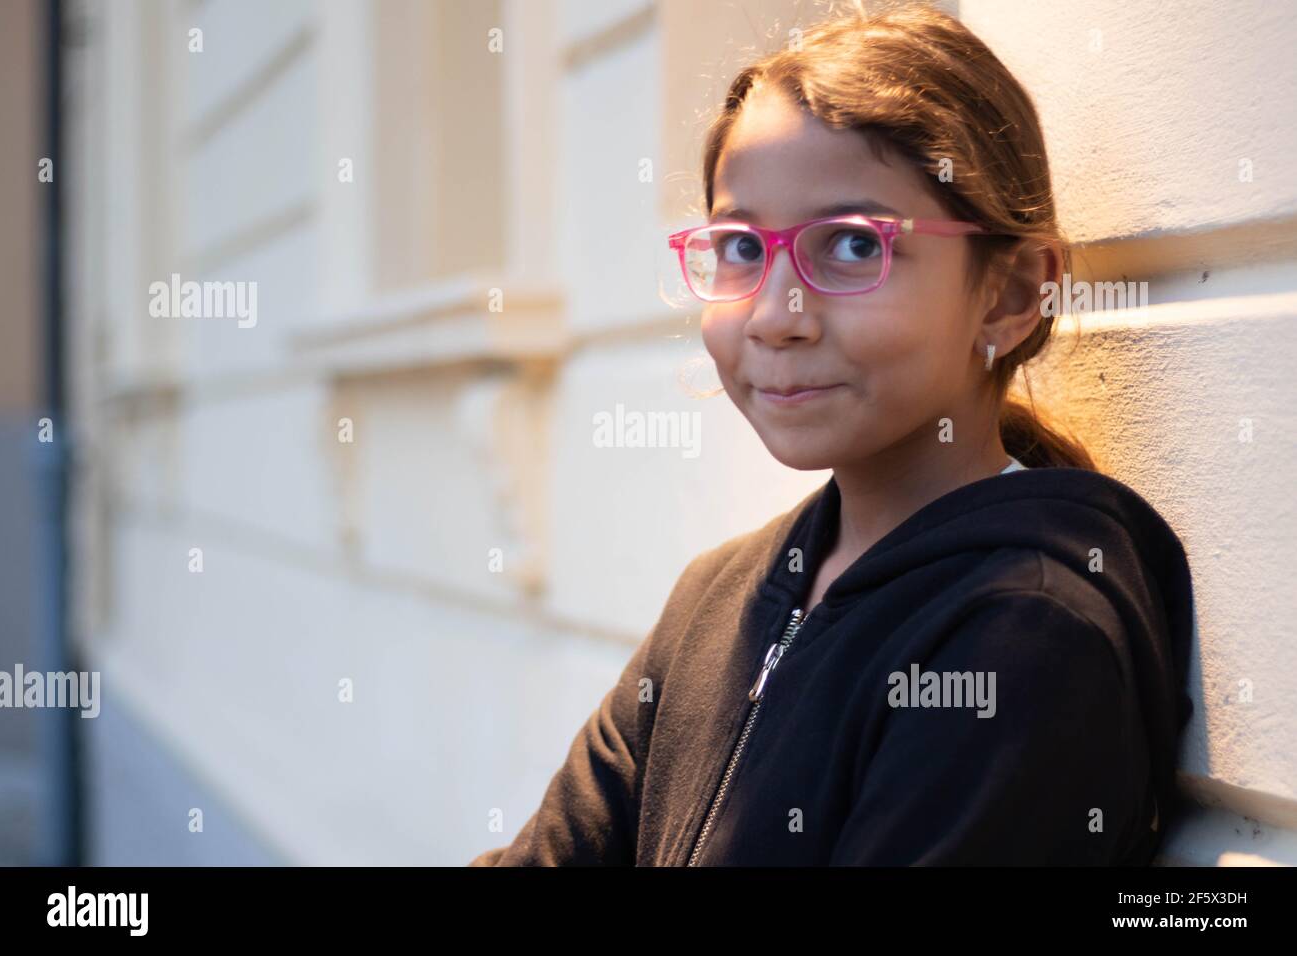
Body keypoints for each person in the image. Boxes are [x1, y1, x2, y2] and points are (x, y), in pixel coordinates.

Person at [469, 3, 1194, 866]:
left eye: (852, 246)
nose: (777, 316)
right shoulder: (719, 597)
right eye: (742, 247)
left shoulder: (1024, 640)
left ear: (1008, 293)